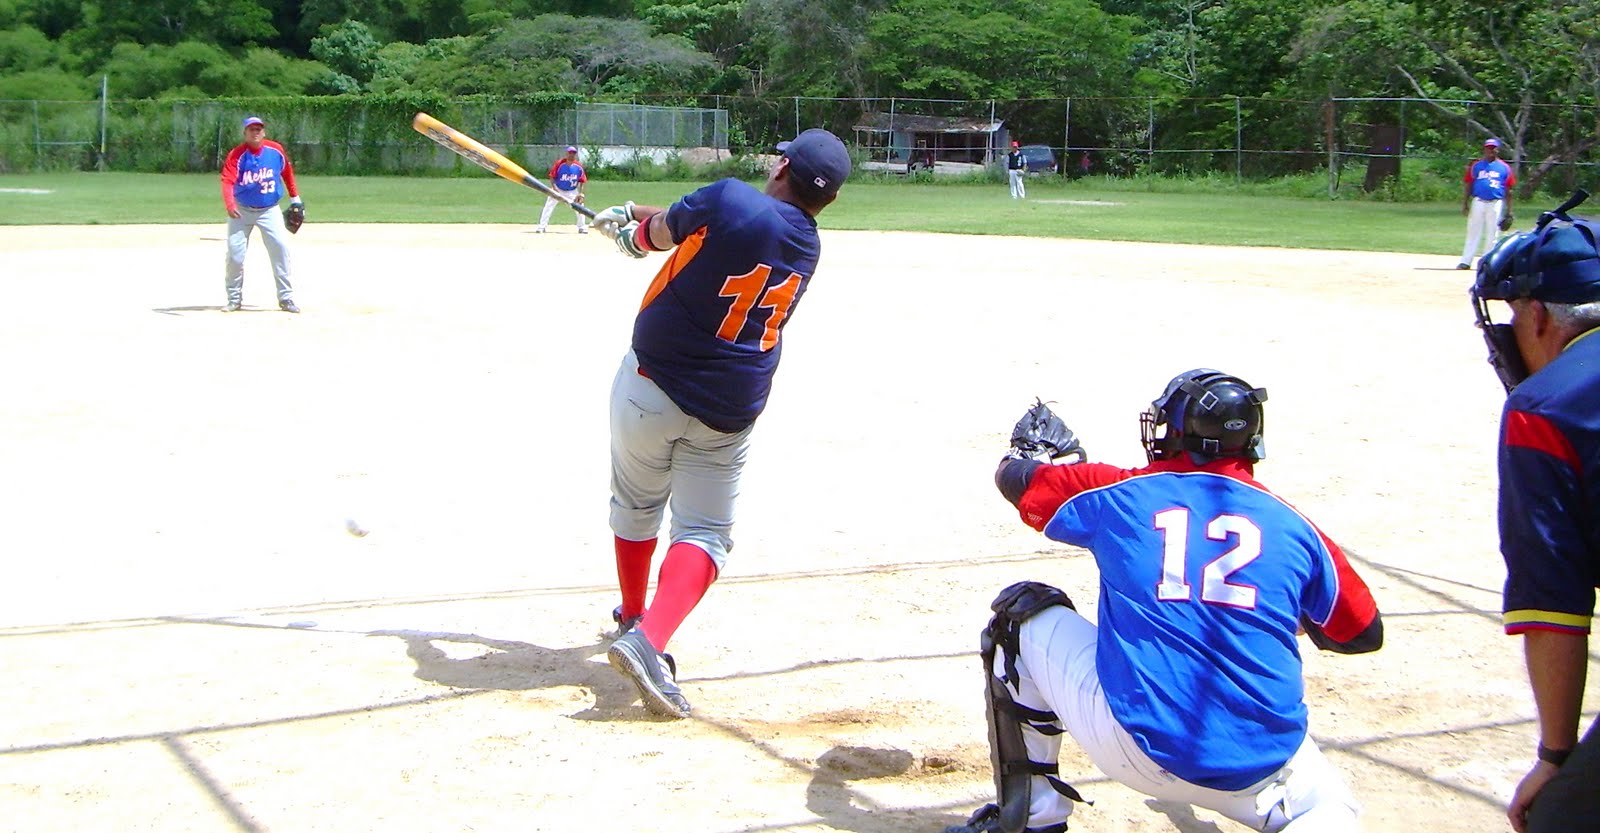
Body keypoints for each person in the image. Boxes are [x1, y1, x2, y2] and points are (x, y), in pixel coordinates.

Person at [944, 372, 1383, 833]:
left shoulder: (1119, 492)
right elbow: (1361, 635)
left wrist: (1032, 457)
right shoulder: (1296, 527)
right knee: (1330, 810)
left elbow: (1017, 481)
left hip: (1135, 750)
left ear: (1175, 432)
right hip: (1261, 771)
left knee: (1020, 617)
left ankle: (1033, 819)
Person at [586, 128, 851, 719]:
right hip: (729, 408)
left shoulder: (732, 196)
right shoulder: (806, 244)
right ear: (827, 199)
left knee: (636, 504)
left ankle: (633, 615)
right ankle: (648, 638)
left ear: (780, 164)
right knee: (704, 533)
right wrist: (633, 213)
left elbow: (663, 235)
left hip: (650, 388)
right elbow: (707, 226)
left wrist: (633, 235)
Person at [1468, 191, 1600, 833]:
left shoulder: (1546, 405)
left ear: (1540, 317)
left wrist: (1556, 756)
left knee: (1560, 821)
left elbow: (1554, 603)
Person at [220, 115, 301, 313]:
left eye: (258, 129)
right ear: (245, 133)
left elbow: (287, 173)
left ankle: (286, 298)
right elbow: (227, 181)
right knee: (235, 256)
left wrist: (295, 198)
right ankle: (234, 299)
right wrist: (230, 205)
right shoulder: (237, 155)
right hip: (241, 210)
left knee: (280, 249)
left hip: (269, 209)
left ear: (263, 132)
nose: (255, 132)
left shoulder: (275, 151)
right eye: (251, 129)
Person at [1459, 138, 1516, 270]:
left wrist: (1509, 211)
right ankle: (1466, 261)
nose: (1491, 150)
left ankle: (1487, 262)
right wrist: (1465, 203)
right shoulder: (1476, 165)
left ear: (1497, 150)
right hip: (1478, 201)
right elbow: (1469, 184)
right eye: (1488, 148)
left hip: (1495, 203)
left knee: (1493, 233)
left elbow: (1509, 190)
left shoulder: (1504, 167)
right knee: (1473, 231)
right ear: (1484, 149)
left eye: (1493, 148)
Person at [536, 145, 587, 234]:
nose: (571, 155)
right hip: (558, 189)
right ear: (566, 154)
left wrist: (581, 194)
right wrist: (555, 188)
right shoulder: (559, 164)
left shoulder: (578, 166)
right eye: (570, 153)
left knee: (580, 207)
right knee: (548, 206)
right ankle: (542, 226)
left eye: (573, 153)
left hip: (572, 191)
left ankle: (582, 227)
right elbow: (552, 176)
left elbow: (582, 180)